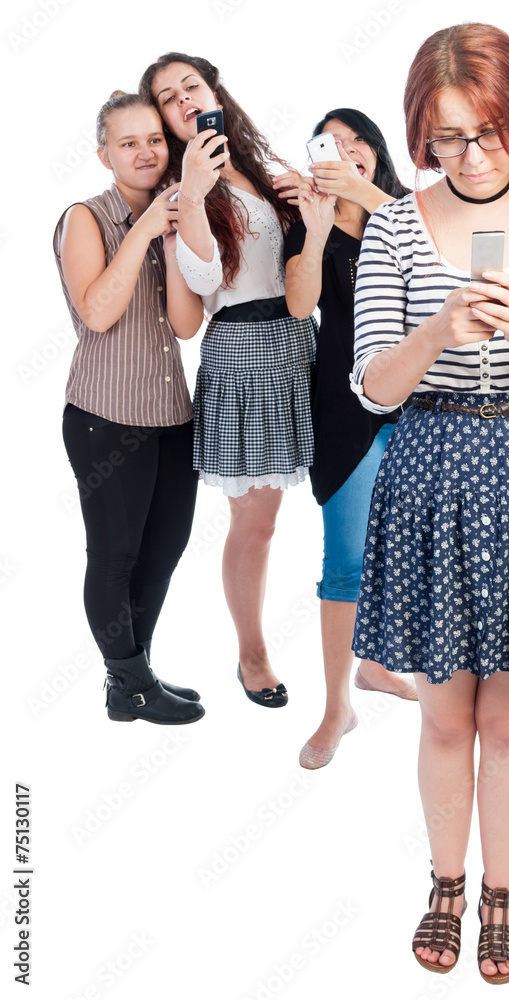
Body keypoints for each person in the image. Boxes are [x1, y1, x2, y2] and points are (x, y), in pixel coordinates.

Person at [350, 24, 509, 983]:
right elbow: (373, 386)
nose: (470, 156)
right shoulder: (392, 223)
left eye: (489, 134)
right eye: (449, 137)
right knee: (441, 717)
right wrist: (438, 329)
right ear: (420, 130)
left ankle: (501, 894)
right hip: (428, 475)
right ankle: (445, 884)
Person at [139, 53, 316, 708]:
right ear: (160, 118)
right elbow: (205, 286)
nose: (183, 99)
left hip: (299, 341)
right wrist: (189, 188)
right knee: (256, 522)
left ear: (214, 92)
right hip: (242, 353)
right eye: (167, 97)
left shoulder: (255, 170)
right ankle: (252, 651)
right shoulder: (182, 192)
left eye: (192, 86)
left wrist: (303, 200)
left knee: (295, 508)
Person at [55, 92, 205, 725]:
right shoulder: (86, 217)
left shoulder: (175, 215)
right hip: (104, 415)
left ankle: (133, 674)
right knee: (114, 554)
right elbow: (97, 312)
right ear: (104, 154)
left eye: (154, 139)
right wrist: (145, 226)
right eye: (128, 143)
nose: (145, 152)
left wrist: (174, 237)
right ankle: (130, 681)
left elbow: (184, 325)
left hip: (171, 413)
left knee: (165, 548)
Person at [284, 108, 416, 768]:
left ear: (376, 148)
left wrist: (369, 198)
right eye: (332, 143)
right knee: (346, 564)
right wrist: (313, 229)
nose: (348, 149)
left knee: (403, 553)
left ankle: (377, 666)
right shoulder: (313, 221)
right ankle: (338, 705)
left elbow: (450, 264)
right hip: (346, 412)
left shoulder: (414, 212)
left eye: (357, 138)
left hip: (422, 409)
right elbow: (300, 303)